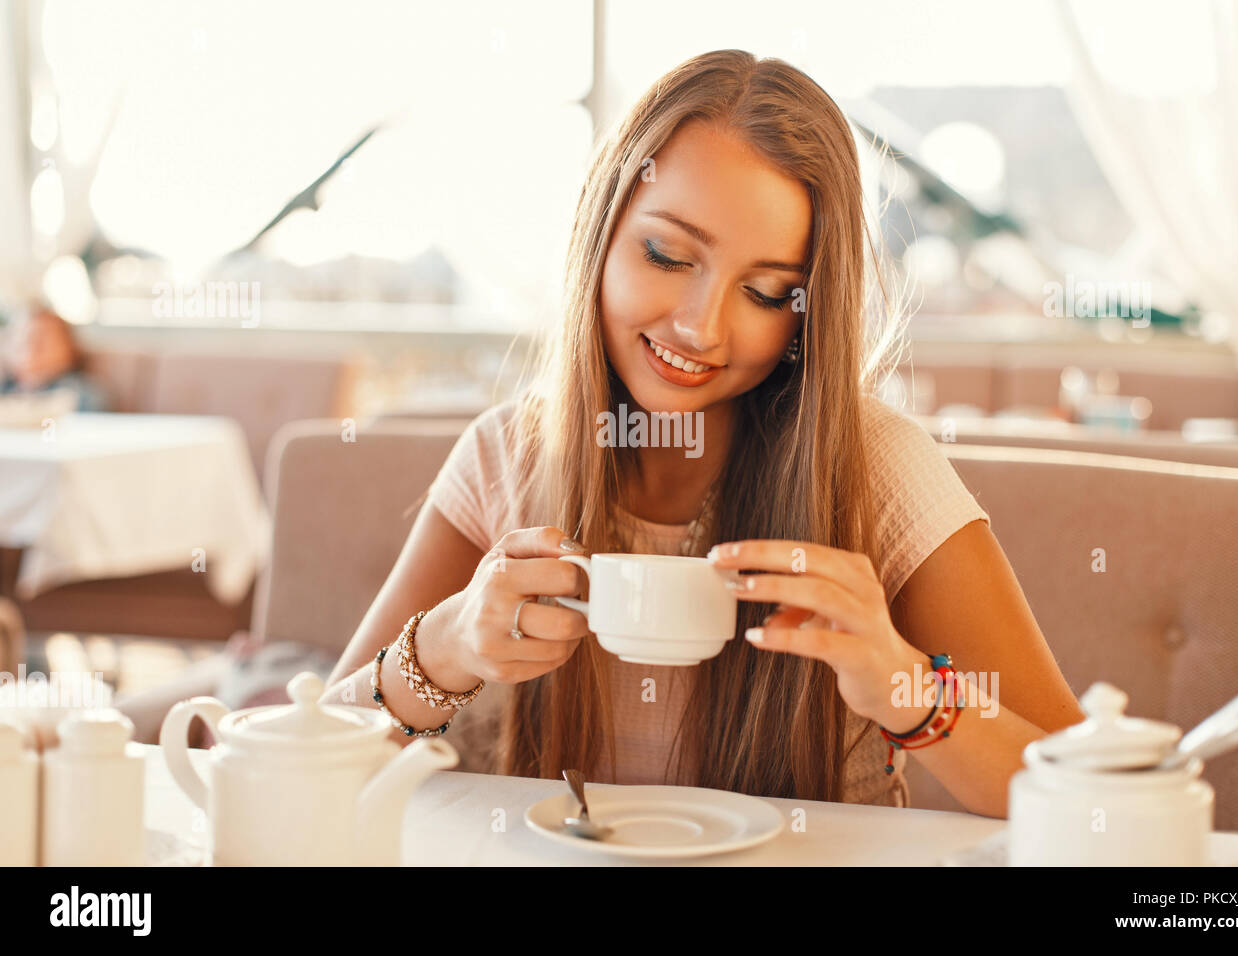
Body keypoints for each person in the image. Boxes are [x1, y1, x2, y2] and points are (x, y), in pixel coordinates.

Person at [322, 50, 1085, 817]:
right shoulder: (508, 454)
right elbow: (310, 763)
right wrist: (445, 648)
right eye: (668, 255)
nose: (701, 328)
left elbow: (1086, 796)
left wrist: (905, 685)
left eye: (766, 292)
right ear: (602, 233)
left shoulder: (876, 468)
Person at [0, 304, 108, 412]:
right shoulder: (6, 387)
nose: (30, 346)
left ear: (68, 349)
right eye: (21, 338)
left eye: (42, 340)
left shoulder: (79, 391)